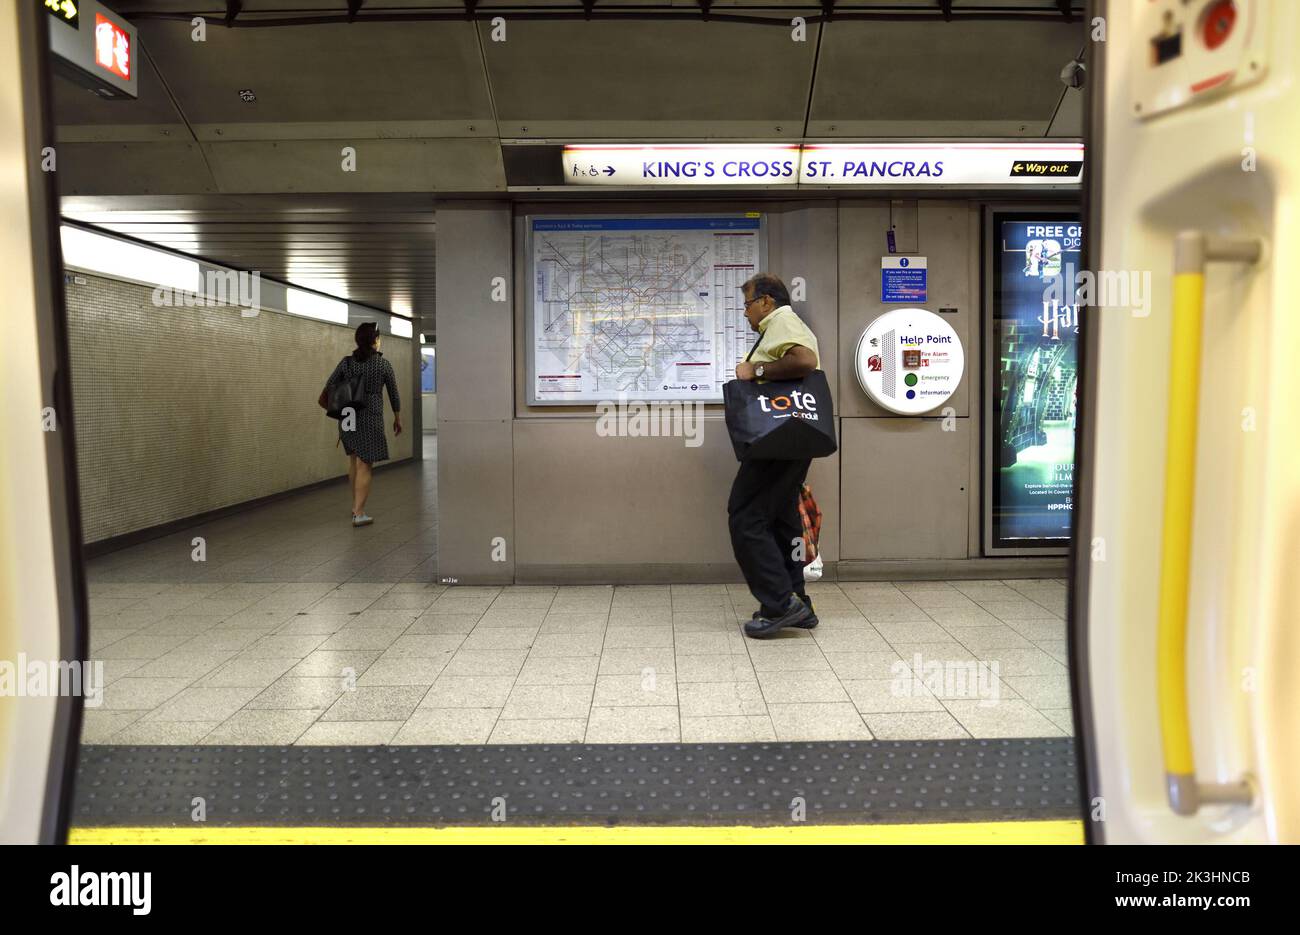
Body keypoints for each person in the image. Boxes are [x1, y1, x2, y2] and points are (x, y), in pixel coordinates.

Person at [729, 273, 821, 638]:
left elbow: (804, 361)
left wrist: (756, 370)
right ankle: (797, 598)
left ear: (766, 301)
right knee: (782, 518)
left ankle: (780, 604)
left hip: (778, 437)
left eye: (748, 305)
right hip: (794, 436)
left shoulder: (781, 320)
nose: (746, 313)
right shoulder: (782, 324)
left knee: (745, 516)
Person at [325, 321, 402, 527]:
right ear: (374, 340)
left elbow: (330, 385)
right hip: (370, 417)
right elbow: (393, 393)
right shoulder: (382, 364)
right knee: (365, 464)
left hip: (348, 417)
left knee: (353, 462)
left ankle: (355, 506)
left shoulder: (347, 363)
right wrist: (397, 416)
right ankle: (359, 513)